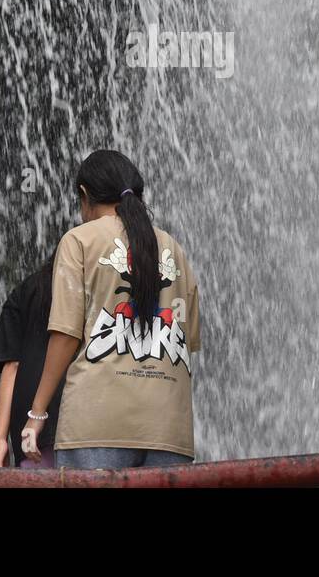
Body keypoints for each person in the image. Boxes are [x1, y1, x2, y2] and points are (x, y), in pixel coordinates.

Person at [21, 149, 201, 469]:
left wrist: (37, 414)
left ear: (84, 195)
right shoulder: (174, 248)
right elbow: (188, 341)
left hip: (97, 426)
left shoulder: (79, 240)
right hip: (169, 430)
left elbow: (65, 335)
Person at [0, 251, 64, 467]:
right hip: (82, 422)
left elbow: (12, 366)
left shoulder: (27, 289)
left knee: (34, 478)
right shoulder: (94, 288)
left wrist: (0, 439)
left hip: (31, 431)